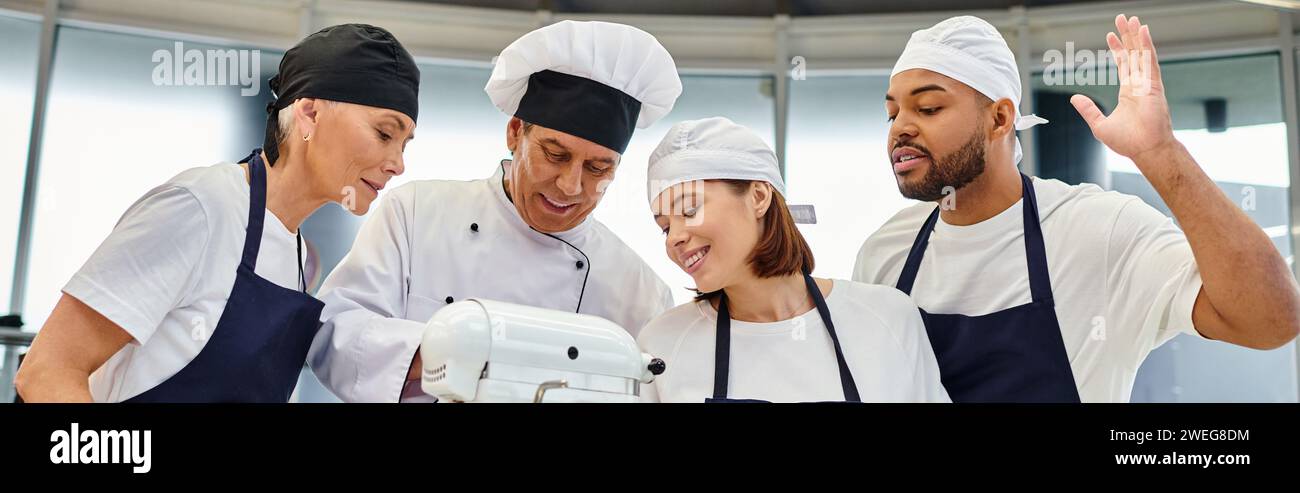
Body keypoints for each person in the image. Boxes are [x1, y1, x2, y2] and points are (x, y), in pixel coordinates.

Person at [853, 15, 1300, 402]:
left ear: (1000, 119)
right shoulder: (886, 252)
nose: (901, 129)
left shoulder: (1097, 231)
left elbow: (1270, 320)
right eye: (892, 114)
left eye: (928, 107)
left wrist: (1160, 153)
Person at [15, 24, 420, 402]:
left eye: (405, 144)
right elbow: (46, 371)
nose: (398, 164)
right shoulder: (201, 207)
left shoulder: (294, 253)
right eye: (385, 133)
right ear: (309, 113)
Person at [308, 20, 684, 402]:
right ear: (515, 132)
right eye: (555, 155)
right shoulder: (416, 214)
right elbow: (336, 332)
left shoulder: (640, 292)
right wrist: (447, 351)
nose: (570, 185)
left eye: (597, 168)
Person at [638, 117, 948, 403]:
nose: (674, 237)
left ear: (758, 196)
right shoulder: (662, 343)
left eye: (690, 211)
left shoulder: (886, 318)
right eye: (664, 227)